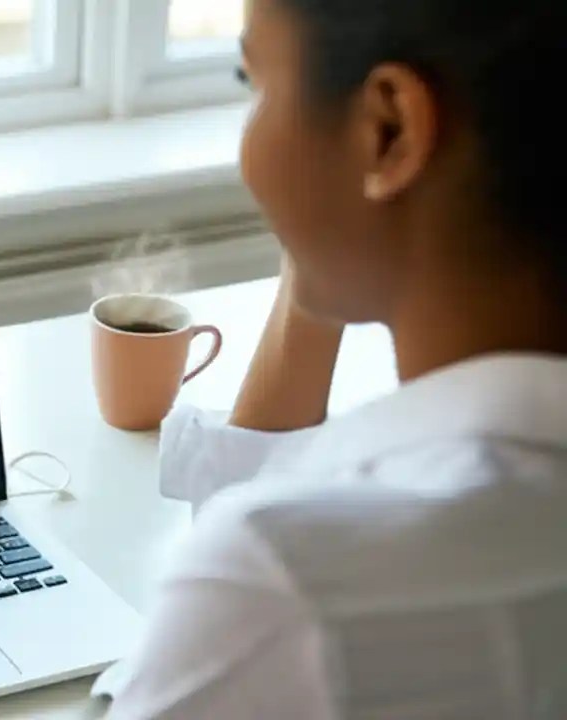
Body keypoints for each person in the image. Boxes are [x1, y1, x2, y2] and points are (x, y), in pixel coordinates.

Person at [104, 0, 566, 718]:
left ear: (389, 128)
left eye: (251, 82)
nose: (249, 148)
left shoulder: (296, 590)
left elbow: (273, 575)